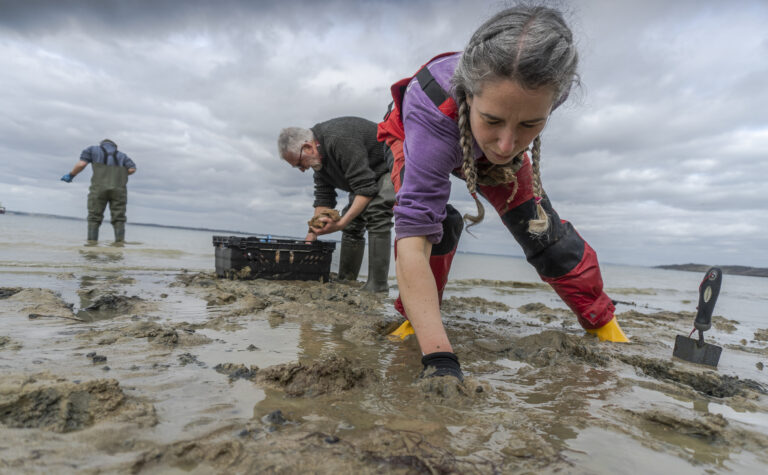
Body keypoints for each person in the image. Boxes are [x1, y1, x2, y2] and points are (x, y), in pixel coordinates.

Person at [377, 5, 629, 382]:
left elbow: (505, 138)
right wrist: (440, 359)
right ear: (469, 94)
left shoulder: (543, 93)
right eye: (493, 119)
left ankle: (602, 321)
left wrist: (602, 324)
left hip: (469, 133)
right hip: (426, 130)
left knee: (543, 232)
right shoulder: (429, 115)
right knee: (437, 225)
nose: (508, 144)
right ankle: (416, 320)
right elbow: (412, 239)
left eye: (530, 123)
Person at [277, 117, 395, 292]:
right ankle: (347, 280)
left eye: (299, 164)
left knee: (376, 212)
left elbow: (365, 188)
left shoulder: (338, 139)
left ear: (308, 147)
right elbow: (324, 198)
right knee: (353, 225)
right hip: (367, 176)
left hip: (391, 164)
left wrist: (341, 222)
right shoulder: (318, 160)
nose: (302, 170)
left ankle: (377, 285)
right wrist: (311, 237)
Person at [61, 139, 136, 242]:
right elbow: (132, 169)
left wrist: (71, 175)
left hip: (99, 188)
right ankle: (119, 246)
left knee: (94, 217)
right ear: (115, 146)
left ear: (102, 144)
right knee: (119, 218)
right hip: (119, 190)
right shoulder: (122, 156)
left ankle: (92, 246)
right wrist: (118, 175)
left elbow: (81, 164)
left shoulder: (92, 150)